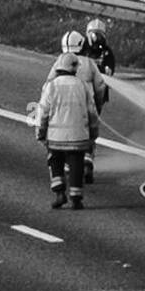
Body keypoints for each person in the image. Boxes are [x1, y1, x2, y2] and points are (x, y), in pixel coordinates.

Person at [36, 53, 100, 210]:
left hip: (56, 138)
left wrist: (40, 132)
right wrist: (93, 133)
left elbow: (42, 112)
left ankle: (59, 194)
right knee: (76, 165)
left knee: (55, 162)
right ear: (74, 69)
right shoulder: (83, 86)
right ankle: (76, 199)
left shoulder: (52, 86)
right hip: (79, 138)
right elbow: (93, 112)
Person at [47, 31, 107, 183]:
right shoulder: (88, 63)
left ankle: (68, 169)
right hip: (85, 106)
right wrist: (98, 106)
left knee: (67, 137)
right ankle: (87, 161)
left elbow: (48, 85)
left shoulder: (59, 63)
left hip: (64, 110)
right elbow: (100, 86)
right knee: (87, 136)